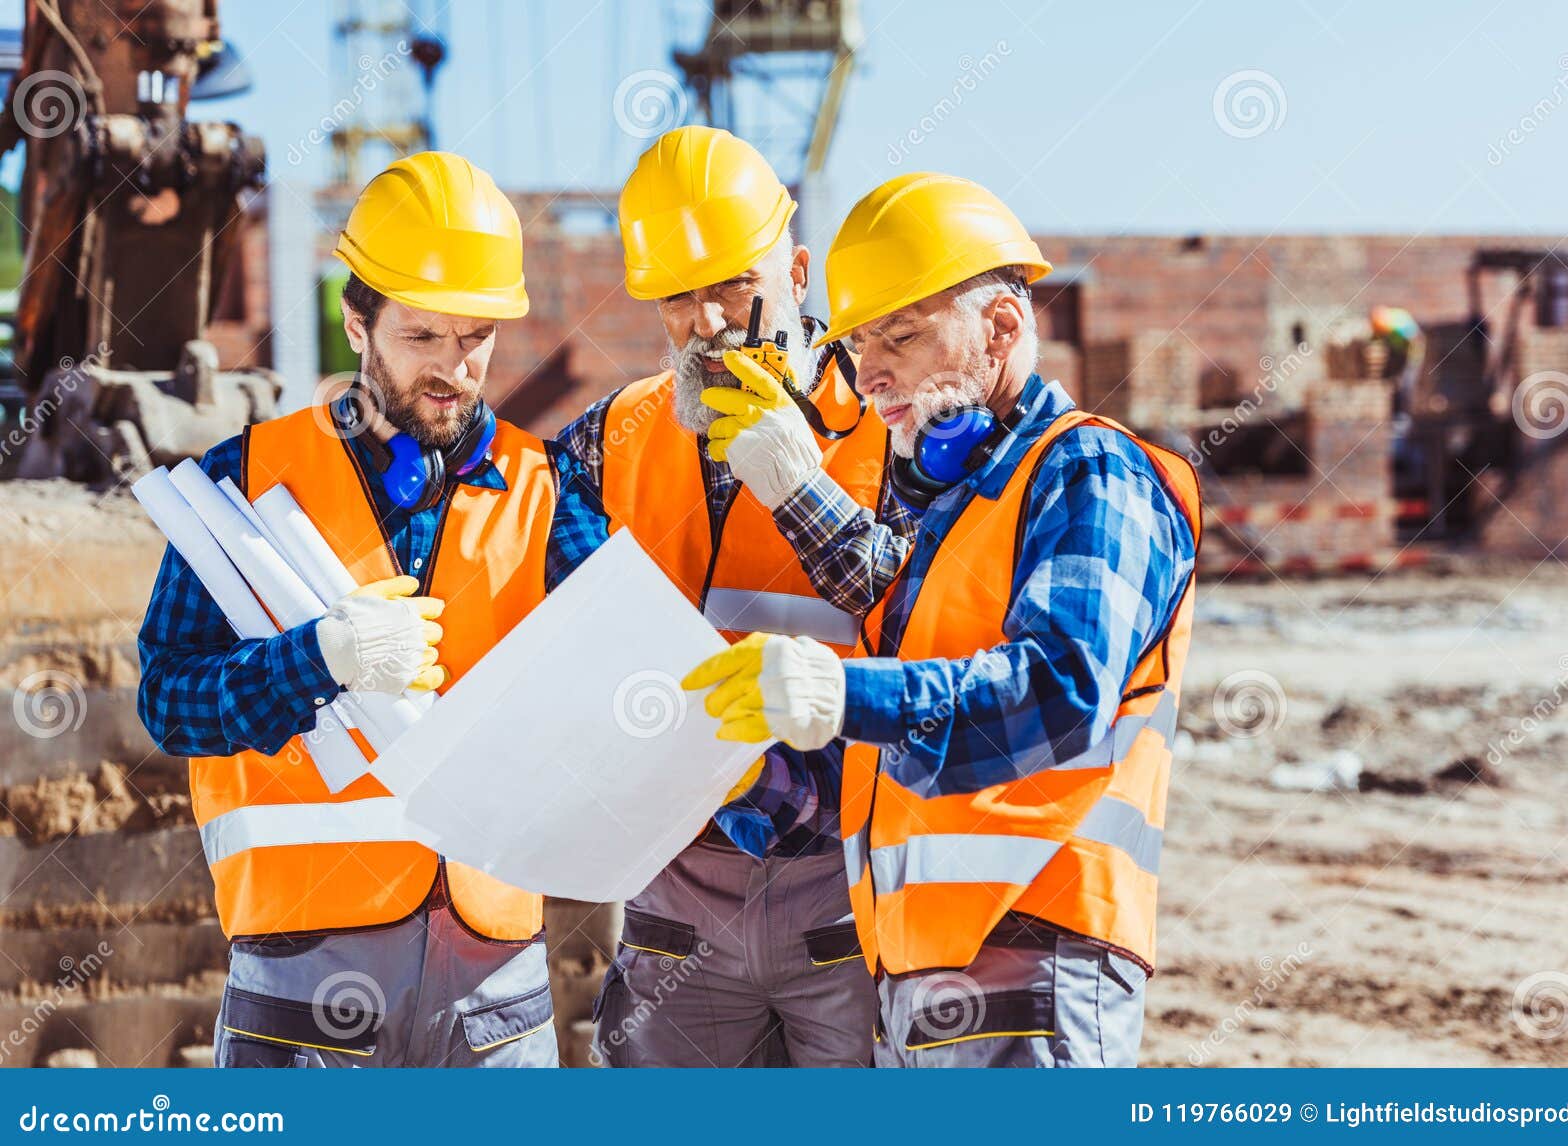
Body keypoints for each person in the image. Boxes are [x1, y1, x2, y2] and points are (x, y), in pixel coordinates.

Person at [685, 172, 1201, 1068]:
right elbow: (896, 645)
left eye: (902, 334)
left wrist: (842, 692)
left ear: (1002, 329)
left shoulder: (1090, 470)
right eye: (854, 344)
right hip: (919, 983)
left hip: (1034, 970)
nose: (868, 371)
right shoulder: (954, 508)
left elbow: (1060, 688)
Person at [138, 152, 610, 1067]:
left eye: (474, 338)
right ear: (358, 322)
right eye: (421, 337)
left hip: (495, 984)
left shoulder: (547, 489)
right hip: (305, 981)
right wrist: (318, 659)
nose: (452, 369)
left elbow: (613, 670)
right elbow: (167, 700)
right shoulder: (245, 484)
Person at [560, 126, 916, 1067]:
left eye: (733, 287)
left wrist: (799, 488)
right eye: (678, 298)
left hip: (844, 883)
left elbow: (931, 623)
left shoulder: (894, 424)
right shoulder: (618, 433)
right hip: (679, 887)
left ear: (797, 272)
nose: (707, 324)